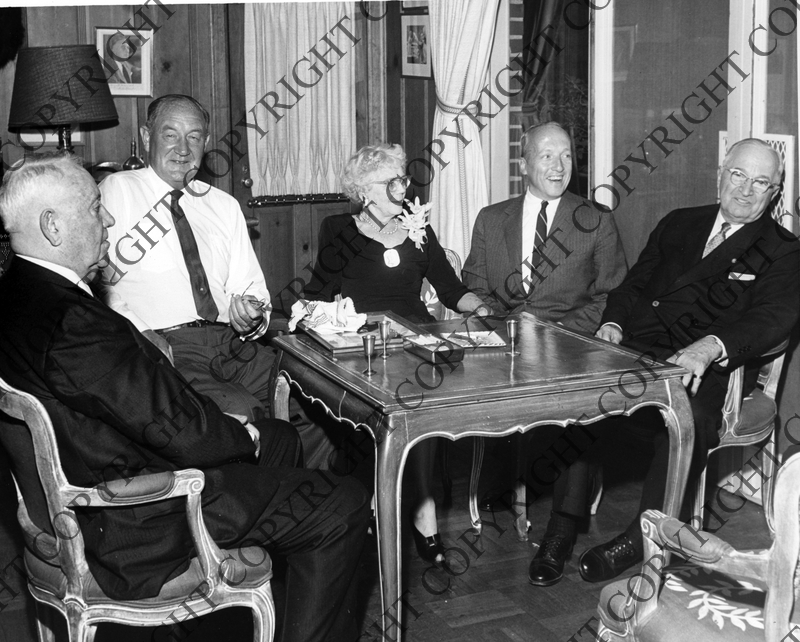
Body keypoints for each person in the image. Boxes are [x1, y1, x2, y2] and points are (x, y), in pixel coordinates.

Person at [0, 153, 370, 642]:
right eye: (94, 207)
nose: (108, 217)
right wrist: (243, 435)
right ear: (52, 226)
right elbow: (181, 431)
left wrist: (245, 432)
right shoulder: (72, 321)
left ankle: (255, 612)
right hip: (136, 517)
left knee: (281, 440)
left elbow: (135, 404)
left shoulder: (18, 294)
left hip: (92, 485)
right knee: (342, 501)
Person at [556, 138, 800, 586]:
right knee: (577, 404)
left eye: (760, 182)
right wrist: (611, 324)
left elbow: (772, 319)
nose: (745, 190)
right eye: (739, 175)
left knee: (685, 419)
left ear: (775, 192)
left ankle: (643, 537)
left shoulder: (784, 249)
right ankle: (562, 526)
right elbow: (632, 286)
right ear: (721, 173)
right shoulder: (679, 223)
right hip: (636, 349)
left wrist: (709, 346)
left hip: (711, 369)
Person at [98, 95, 329, 467]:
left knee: (322, 400)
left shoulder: (223, 205)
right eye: (170, 135)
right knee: (238, 415)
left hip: (233, 343)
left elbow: (253, 288)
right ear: (146, 137)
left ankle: (312, 507)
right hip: (168, 347)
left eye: (194, 137)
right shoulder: (116, 191)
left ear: (206, 143)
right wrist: (142, 333)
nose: (182, 149)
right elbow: (101, 283)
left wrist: (254, 314)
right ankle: (263, 512)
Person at [304, 143, 491, 565]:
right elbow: (316, 295)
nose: (403, 188)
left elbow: (450, 288)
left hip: (418, 340)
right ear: (365, 191)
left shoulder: (418, 228)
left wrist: (477, 307)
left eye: (403, 179)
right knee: (378, 419)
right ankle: (372, 508)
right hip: (365, 345)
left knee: (421, 415)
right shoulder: (339, 229)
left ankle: (424, 517)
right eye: (392, 181)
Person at [462, 121, 627, 586]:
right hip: (502, 347)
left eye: (567, 156)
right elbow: (474, 285)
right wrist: (505, 328)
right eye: (547, 156)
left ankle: (560, 530)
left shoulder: (596, 219)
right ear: (524, 164)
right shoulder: (491, 219)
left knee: (578, 417)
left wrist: (559, 334)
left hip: (570, 347)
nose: (558, 166)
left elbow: (610, 294)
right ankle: (493, 485)